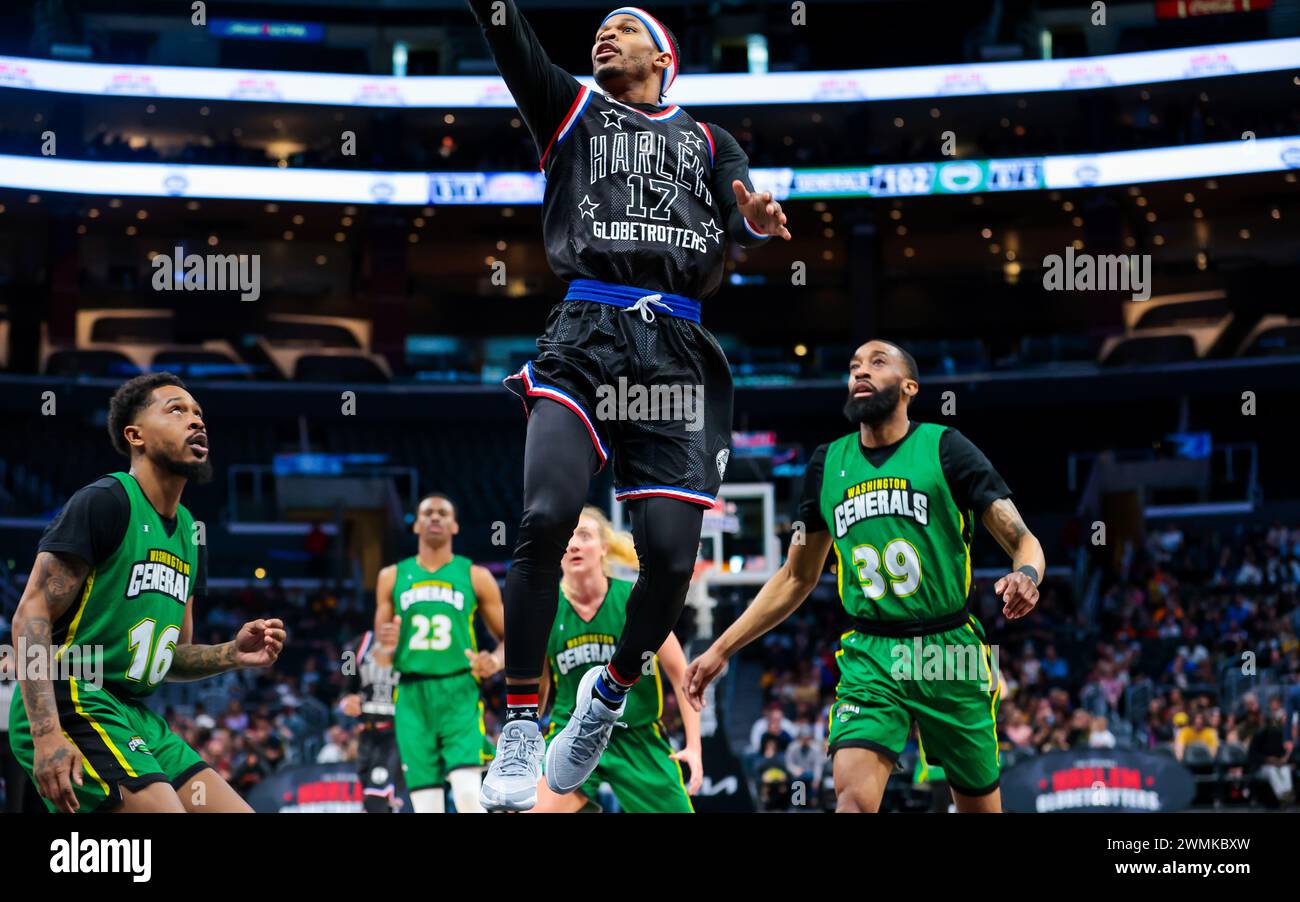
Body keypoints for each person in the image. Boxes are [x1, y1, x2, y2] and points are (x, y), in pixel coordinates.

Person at [462, 0, 790, 811]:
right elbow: (511, 37)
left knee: (673, 561)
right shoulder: (571, 107)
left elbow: (737, 192)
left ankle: (604, 699)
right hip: (585, 329)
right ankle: (524, 720)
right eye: (599, 28)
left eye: (625, 27)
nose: (603, 35)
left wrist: (750, 216)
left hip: (675, 345)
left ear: (662, 57)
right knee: (544, 516)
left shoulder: (708, 137)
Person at [686, 340, 1046, 813]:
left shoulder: (945, 447)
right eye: (853, 365)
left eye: (877, 363)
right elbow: (797, 577)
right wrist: (721, 648)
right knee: (853, 800)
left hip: (950, 650)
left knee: (980, 807)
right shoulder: (827, 464)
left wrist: (1026, 575)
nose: (860, 371)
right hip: (871, 654)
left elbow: (1023, 538)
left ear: (909, 387)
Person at [7, 372, 286, 813]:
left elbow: (173, 654)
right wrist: (46, 736)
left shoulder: (192, 534)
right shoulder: (106, 500)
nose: (196, 422)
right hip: (74, 695)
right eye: (176, 410)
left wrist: (232, 652)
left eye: (198, 414)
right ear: (134, 435)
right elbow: (29, 617)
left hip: (133, 713)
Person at [530, 506, 701, 813]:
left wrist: (694, 746)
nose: (574, 544)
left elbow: (681, 674)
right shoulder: (545, 609)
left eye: (584, 535)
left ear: (604, 548)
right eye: (567, 537)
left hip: (635, 735)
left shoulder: (634, 599)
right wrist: (526, 739)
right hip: (574, 734)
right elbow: (539, 688)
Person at [374, 493, 505, 813]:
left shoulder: (475, 576)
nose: (435, 517)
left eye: (442, 513)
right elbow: (379, 655)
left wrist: (495, 661)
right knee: (426, 805)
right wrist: (385, 647)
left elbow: (508, 639)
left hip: (459, 690)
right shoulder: (390, 576)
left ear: (455, 525)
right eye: (427, 513)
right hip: (410, 694)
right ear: (417, 524)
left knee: (467, 797)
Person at [338, 629, 403, 812]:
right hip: (366, 734)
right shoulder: (352, 647)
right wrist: (346, 702)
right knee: (371, 797)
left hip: (396, 735)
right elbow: (344, 690)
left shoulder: (411, 642)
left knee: (377, 797)